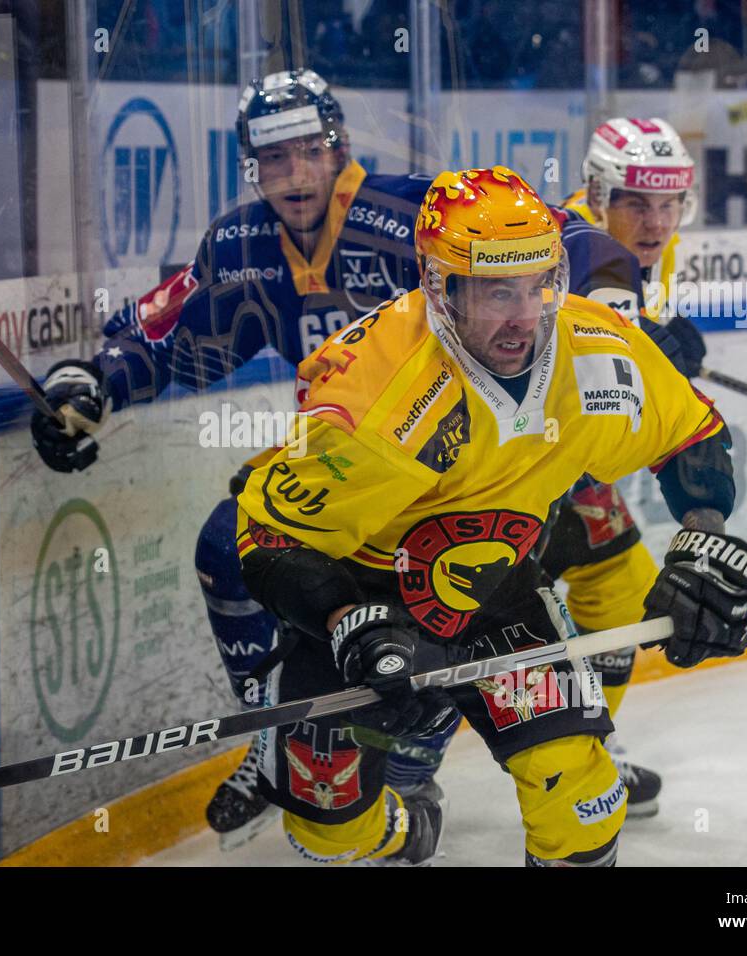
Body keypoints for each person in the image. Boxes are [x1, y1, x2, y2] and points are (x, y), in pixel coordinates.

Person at [232, 166, 747, 865]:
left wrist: (704, 537)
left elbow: (691, 434)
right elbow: (267, 532)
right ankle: (400, 827)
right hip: (362, 597)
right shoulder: (371, 394)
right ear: (439, 288)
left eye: (540, 284)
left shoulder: (598, 352)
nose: (523, 316)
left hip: (496, 586)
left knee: (581, 801)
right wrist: (345, 623)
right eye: (494, 290)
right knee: (332, 833)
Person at [29, 69, 445, 849]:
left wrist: (626, 305)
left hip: (457, 468)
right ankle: (273, 734)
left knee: (484, 594)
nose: (292, 176)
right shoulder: (244, 244)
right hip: (344, 472)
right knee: (231, 545)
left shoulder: (412, 216)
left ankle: (480, 760)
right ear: (250, 166)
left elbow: (538, 253)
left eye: (308, 153)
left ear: (339, 147)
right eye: (271, 159)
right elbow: (172, 334)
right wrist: (92, 381)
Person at [544, 116, 710, 815]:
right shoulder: (569, 247)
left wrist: (656, 351)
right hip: (504, 461)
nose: (656, 220)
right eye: (638, 201)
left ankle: (587, 753)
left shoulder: (647, 254)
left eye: (669, 202)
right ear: (596, 191)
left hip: (567, 462)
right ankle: (406, 768)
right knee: (474, 616)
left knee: (622, 594)